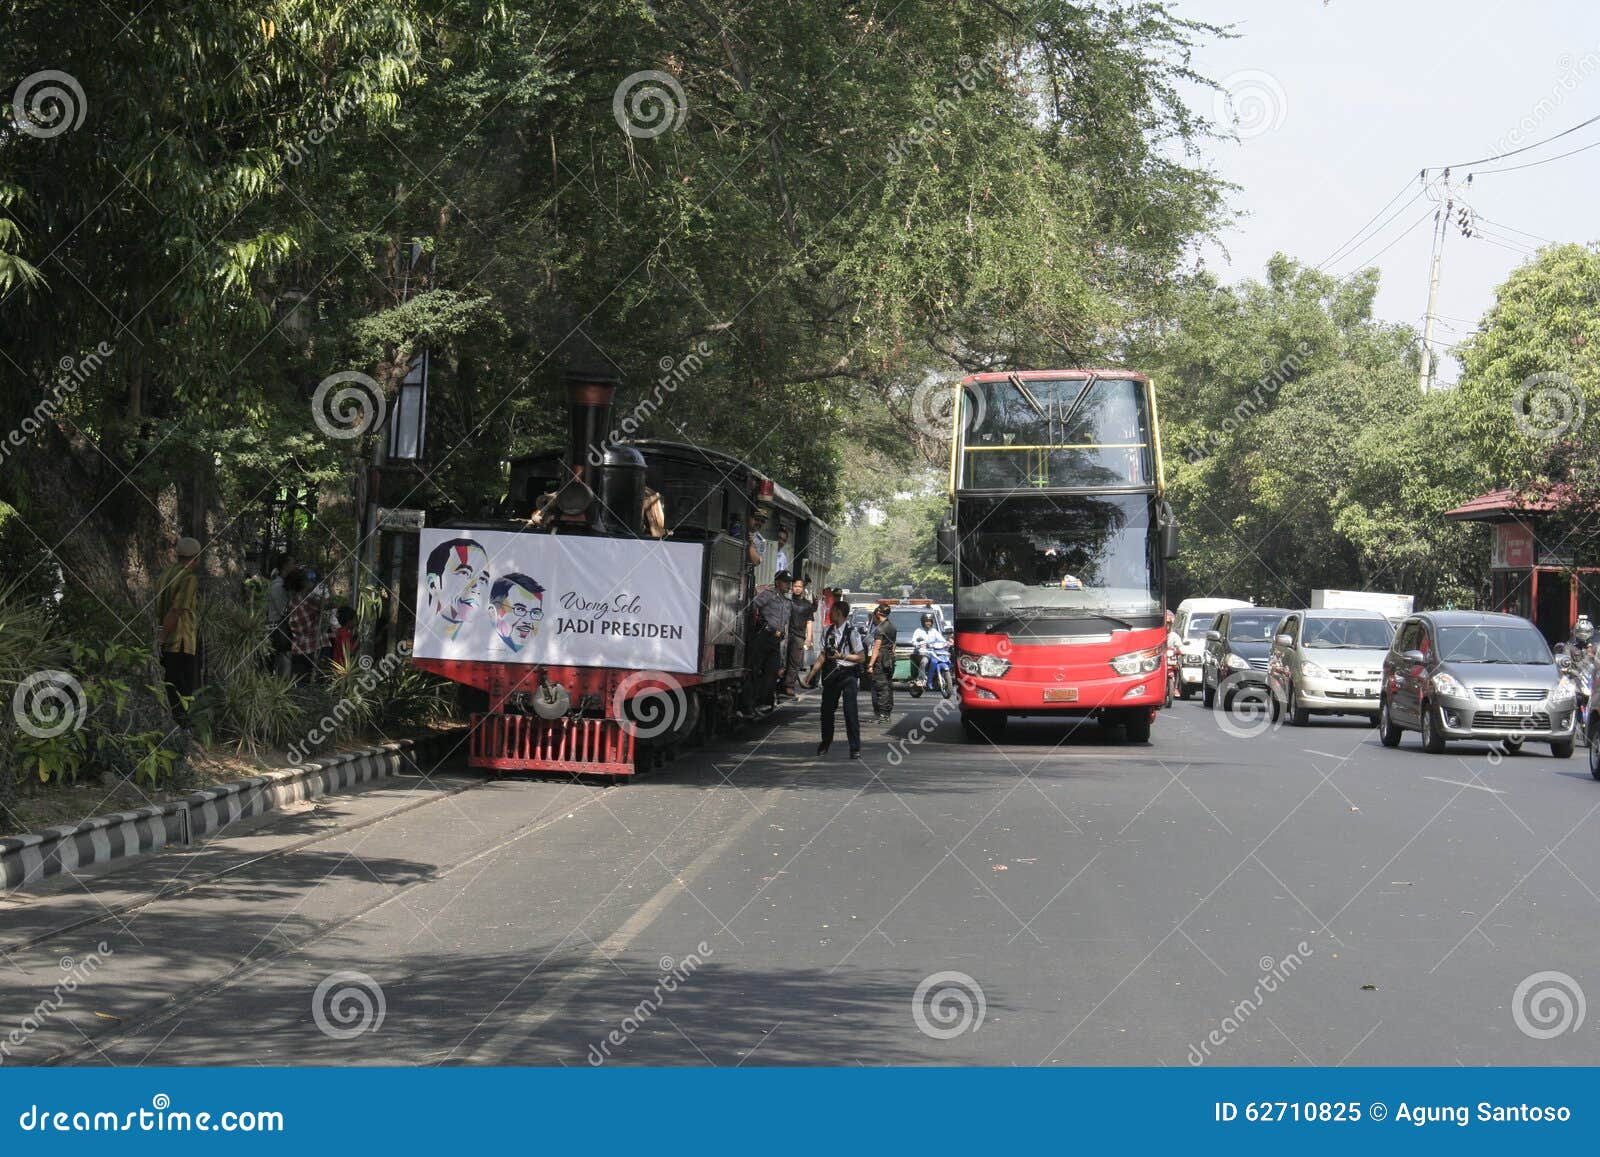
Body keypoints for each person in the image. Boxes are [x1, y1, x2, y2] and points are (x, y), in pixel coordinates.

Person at [803, 599, 867, 758]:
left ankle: (855, 747)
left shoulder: (852, 633)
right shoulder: (827, 631)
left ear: (839, 613)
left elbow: (861, 657)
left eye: (832, 611)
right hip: (832, 674)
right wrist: (810, 675)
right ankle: (825, 742)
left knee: (850, 711)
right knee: (826, 710)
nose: (830, 614)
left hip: (848, 674)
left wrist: (842, 656)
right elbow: (823, 655)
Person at [155, 536, 203, 722]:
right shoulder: (188, 578)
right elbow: (176, 610)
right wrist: (163, 636)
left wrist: (160, 636)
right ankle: (183, 728)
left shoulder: (166, 574)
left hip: (166, 641)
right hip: (181, 642)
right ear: (195, 557)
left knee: (170, 686)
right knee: (183, 691)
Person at [740, 569, 793, 717]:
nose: (788, 585)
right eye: (785, 582)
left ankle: (762, 701)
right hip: (764, 636)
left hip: (776, 640)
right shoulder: (769, 595)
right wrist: (758, 622)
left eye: (789, 582)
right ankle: (748, 705)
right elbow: (752, 606)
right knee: (754, 671)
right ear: (777, 582)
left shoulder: (787, 602)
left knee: (771, 672)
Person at [285, 570, 323, 680]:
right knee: (310, 679)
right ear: (304, 583)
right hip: (310, 645)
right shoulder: (307, 599)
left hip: (297, 645)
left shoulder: (292, 600)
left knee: (298, 680)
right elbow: (324, 606)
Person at [783, 576, 817, 698]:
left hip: (799, 637)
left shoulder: (807, 605)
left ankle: (789, 686)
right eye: (795, 586)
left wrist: (809, 638)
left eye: (799, 587)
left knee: (794, 662)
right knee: (782, 661)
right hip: (785, 636)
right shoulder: (787, 602)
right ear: (792, 587)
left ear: (803, 588)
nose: (797, 589)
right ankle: (779, 684)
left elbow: (809, 622)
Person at [266, 552, 296, 676]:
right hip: (278, 625)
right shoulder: (278, 586)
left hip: (281, 625)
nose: (295, 566)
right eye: (293, 563)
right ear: (285, 565)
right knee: (282, 655)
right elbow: (283, 610)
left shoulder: (284, 584)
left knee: (282, 656)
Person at [867, 602, 898, 722]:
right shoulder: (892, 627)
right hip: (889, 659)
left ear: (878, 613)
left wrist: (870, 664)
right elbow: (894, 645)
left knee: (881, 686)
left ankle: (883, 714)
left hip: (881, 659)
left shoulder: (880, 628)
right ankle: (886, 713)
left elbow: (876, 647)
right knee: (888, 685)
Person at [910, 611, 946, 687]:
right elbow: (913, 641)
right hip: (922, 653)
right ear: (923, 622)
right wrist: (918, 644)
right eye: (926, 621)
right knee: (924, 661)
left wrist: (947, 643)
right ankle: (920, 679)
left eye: (930, 621)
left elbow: (943, 641)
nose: (928, 623)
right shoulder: (918, 631)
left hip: (933, 653)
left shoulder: (934, 631)